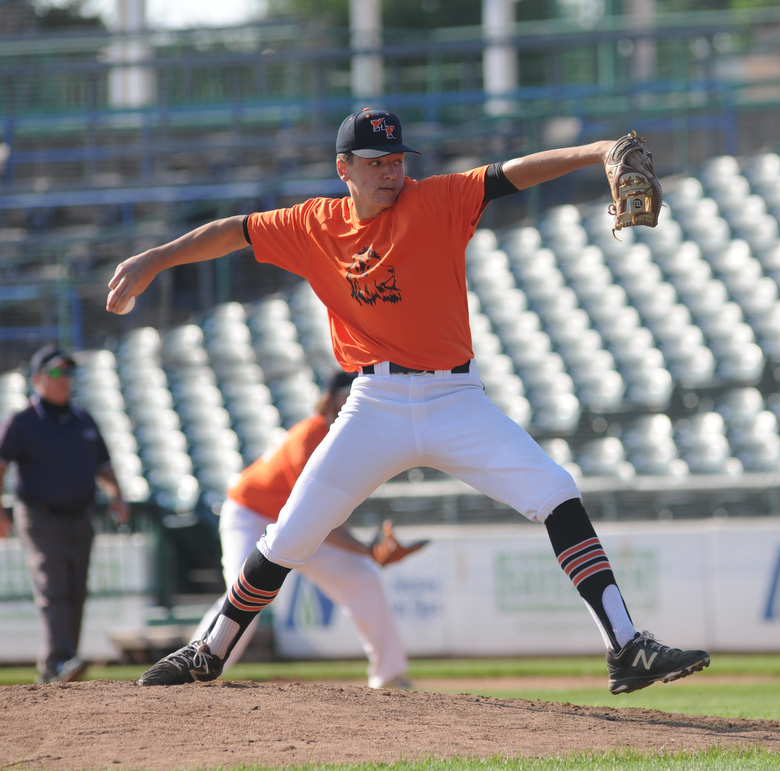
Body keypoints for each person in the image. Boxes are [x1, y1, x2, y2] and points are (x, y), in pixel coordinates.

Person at [108, 107, 710, 695]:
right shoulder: (312, 223)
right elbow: (233, 230)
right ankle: (208, 653)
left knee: (557, 493)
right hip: (374, 401)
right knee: (289, 536)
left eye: (397, 158)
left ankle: (626, 647)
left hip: (456, 396)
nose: (391, 171)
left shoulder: (437, 200)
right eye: (376, 162)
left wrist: (599, 152)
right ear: (344, 167)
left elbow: (514, 173)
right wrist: (155, 258)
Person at [192, 369, 422, 689]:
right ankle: (195, 669)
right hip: (252, 515)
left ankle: (389, 675)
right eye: (347, 395)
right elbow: (316, 519)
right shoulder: (309, 437)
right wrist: (367, 549)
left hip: (297, 522)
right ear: (328, 402)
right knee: (244, 593)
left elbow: (321, 518)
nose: (354, 401)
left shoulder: (348, 440)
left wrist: (369, 550)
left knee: (363, 579)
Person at [0, 344, 130, 683]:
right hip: (39, 515)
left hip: (79, 515)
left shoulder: (82, 419)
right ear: (39, 378)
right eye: (57, 372)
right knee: (52, 584)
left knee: (75, 589)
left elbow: (104, 466)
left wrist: (117, 497)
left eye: (69, 373)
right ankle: (60, 659)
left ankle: (59, 665)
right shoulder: (22, 422)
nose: (65, 380)